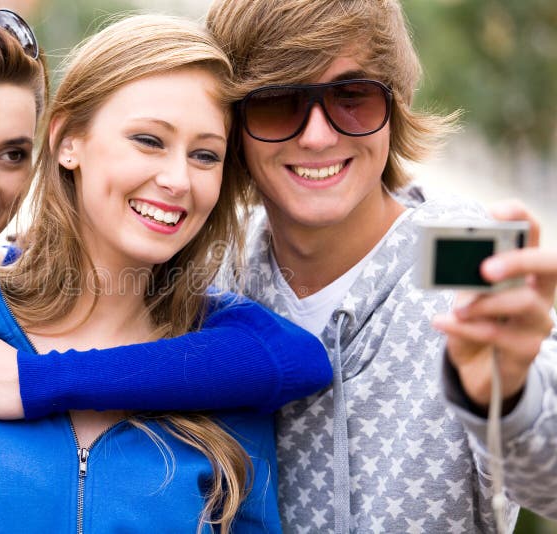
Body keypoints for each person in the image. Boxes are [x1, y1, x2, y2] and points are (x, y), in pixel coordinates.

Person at [0, 12, 316, 533]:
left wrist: (36, 382)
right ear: (67, 141)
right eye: (148, 140)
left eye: (205, 155)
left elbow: (303, 360)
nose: (177, 179)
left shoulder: (225, 367)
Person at [202, 0, 557, 531]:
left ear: (395, 106)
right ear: (233, 125)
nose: (317, 136)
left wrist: (508, 398)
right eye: (277, 102)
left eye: (353, 98)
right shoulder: (206, 275)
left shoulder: (467, 260)